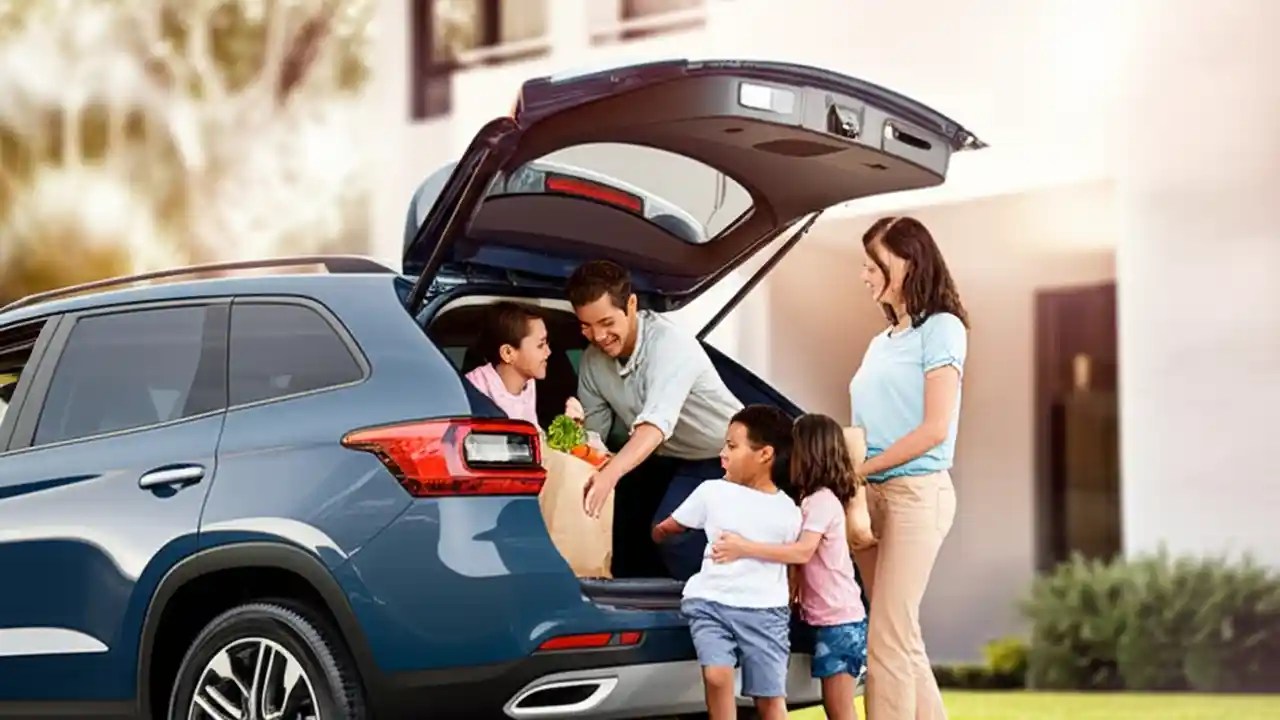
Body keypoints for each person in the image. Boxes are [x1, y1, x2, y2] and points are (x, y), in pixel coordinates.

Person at [850, 216, 968, 720]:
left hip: (916, 493)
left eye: (873, 263)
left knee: (888, 639)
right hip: (869, 496)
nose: (864, 274)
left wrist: (862, 468)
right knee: (900, 634)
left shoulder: (943, 328)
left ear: (909, 263)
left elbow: (934, 428)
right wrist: (854, 477)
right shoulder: (882, 341)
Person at [567, 259, 742, 580]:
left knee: (671, 533)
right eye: (586, 326)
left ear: (631, 304)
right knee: (630, 523)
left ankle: (716, 599)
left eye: (606, 322)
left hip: (729, 458)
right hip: (672, 458)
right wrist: (570, 434)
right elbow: (595, 439)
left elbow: (654, 427)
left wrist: (610, 476)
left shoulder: (669, 346)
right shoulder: (593, 362)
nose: (598, 336)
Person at [711, 412, 868, 720]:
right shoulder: (811, 500)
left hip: (840, 624)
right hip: (829, 620)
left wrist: (744, 548)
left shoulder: (822, 501)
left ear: (808, 453)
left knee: (839, 710)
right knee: (835, 707)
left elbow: (802, 553)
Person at [652, 405, 800, 720]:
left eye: (732, 446)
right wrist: (659, 533)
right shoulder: (712, 492)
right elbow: (671, 525)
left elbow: (796, 560)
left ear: (765, 455)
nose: (723, 453)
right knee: (717, 677)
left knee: (770, 699)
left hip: (765, 612)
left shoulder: (789, 511)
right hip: (710, 602)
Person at [464, 301, 583, 430]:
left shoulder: (528, 386)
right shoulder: (472, 389)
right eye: (540, 345)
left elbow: (533, 439)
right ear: (508, 353)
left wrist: (570, 429)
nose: (548, 352)